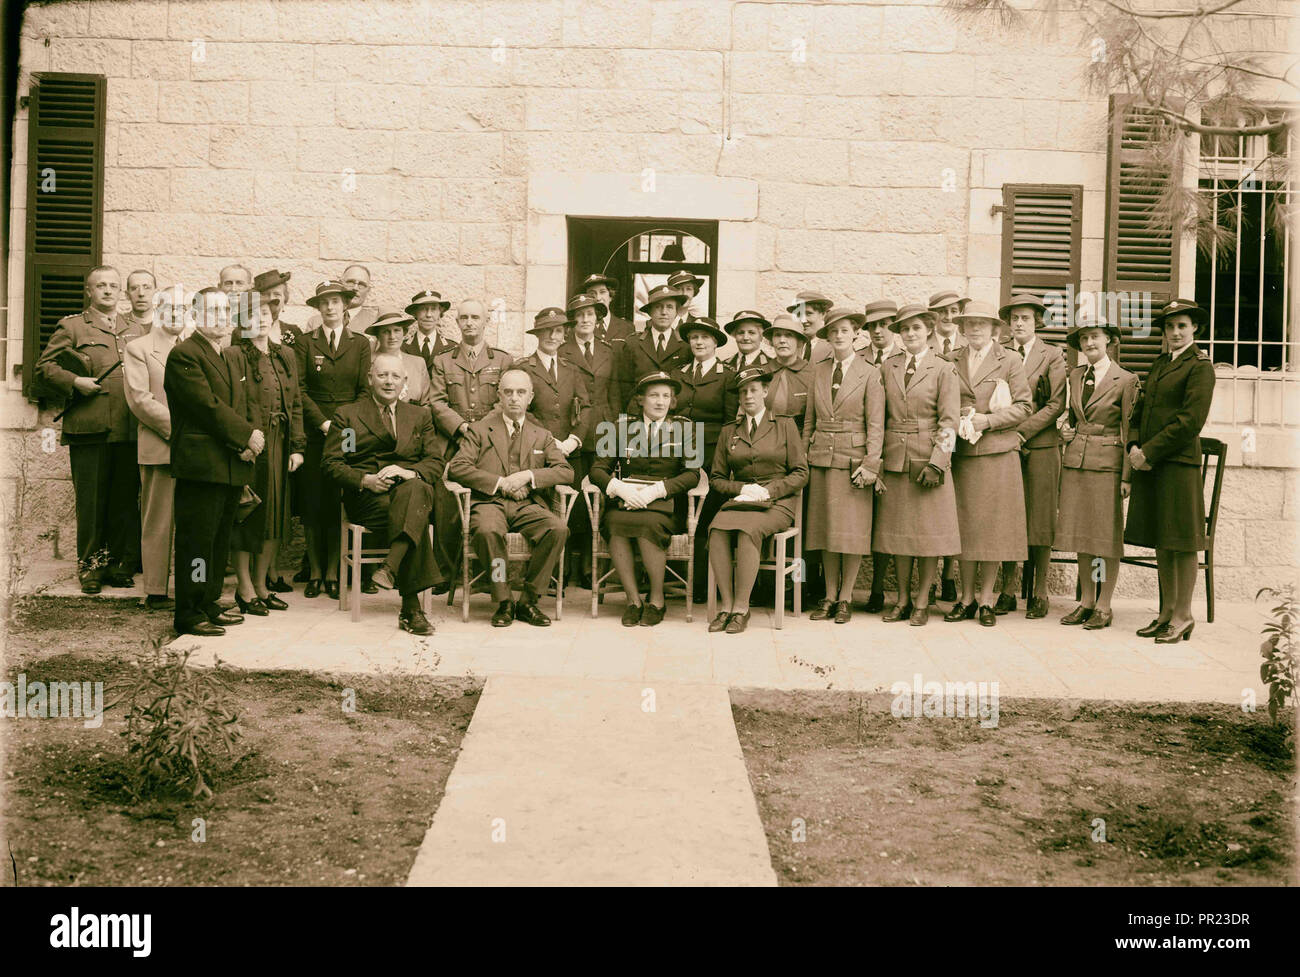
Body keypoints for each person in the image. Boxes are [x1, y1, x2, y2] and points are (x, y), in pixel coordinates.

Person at [35, 266, 145, 594]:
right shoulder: (73, 326)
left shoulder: (135, 328)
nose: (108, 291)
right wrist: (75, 381)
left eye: (113, 285)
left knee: (124, 501)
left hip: (128, 428)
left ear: (120, 292)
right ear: (89, 291)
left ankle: (118, 566)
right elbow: (44, 368)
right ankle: (91, 569)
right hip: (90, 427)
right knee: (92, 501)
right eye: (101, 286)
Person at [323, 353, 447, 636]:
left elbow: (434, 462)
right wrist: (364, 480)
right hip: (369, 499)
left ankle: (390, 568)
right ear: (370, 379)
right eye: (382, 375)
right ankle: (410, 607)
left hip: (407, 492)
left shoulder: (419, 415)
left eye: (395, 376)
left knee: (416, 489)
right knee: (416, 509)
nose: (389, 381)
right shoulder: (349, 416)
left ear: (404, 381)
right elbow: (332, 464)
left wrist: (409, 473)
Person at [164, 287, 261, 637]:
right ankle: (189, 612)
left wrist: (250, 439)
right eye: (212, 310)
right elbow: (206, 407)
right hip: (201, 465)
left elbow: (244, 403)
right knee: (198, 544)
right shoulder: (184, 355)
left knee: (219, 541)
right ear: (195, 314)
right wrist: (245, 436)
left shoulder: (231, 355)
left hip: (232, 462)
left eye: (225, 311)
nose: (220, 317)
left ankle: (208, 601)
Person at [446, 368, 574, 628]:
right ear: (499, 396)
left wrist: (528, 476)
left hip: (527, 505)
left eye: (520, 392)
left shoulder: (542, 435)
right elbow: (458, 467)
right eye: (508, 392)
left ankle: (529, 599)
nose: (514, 398)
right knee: (486, 532)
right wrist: (501, 483)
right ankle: (504, 599)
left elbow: (565, 471)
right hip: (489, 503)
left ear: (530, 397)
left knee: (558, 529)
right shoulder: (480, 430)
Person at [1124, 299, 1216, 644]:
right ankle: (1165, 613)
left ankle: (1183, 615)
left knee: (1181, 539)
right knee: (1162, 539)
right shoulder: (1161, 363)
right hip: (1148, 462)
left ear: (1195, 328)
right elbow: (1140, 410)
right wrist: (1133, 446)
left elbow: (1190, 421)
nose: (1175, 333)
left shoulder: (1200, 367)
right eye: (1169, 327)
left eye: (1182, 326)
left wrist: (1150, 451)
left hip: (1176, 463)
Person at [943, 300, 1033, 627]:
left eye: (982, 323)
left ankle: (986, 600)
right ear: (962, 329)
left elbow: (1024, 407)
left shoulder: (1009, 360)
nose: (975, 329)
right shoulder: (950, 359)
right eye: (969, 324)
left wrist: (988, 420)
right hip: (964, 454)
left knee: (993, 529)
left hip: (997, 453)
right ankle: (965, 599)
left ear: (995, 329)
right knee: (965, 527)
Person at [870, 305, 961, 627]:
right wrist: (876, 462)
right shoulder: (888, 367)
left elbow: (949, 421)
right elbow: (878, 417)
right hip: (895, 459)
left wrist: (938, 463)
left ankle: (923, 599)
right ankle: (903, 600)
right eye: (905, 329)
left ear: (929, 331)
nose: (910, 334)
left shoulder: (943, 368)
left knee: (928, 536)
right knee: (899, 536)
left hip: (927, 461)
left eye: (917, 328)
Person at [589, 372, 701, 627]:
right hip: (626, 502)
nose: (660, 402)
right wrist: (619, 488)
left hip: (665, 506)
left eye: (666, 396)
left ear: (672, 401)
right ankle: (633, 601)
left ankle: (657, 600)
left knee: (647, 525)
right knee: (614, 523)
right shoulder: (620, 427)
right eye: (653, 396)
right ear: (640, 399)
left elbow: (693, 475)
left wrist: (655, 491)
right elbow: (597, 470)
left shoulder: (685, 428)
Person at [707, 367, 809, 633]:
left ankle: (742, 609)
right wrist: (742, 487)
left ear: (765, 391)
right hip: (741, 500)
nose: (748, 396)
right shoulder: (730, 430)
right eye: (743, 392)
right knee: (716, 530)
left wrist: (771, 490)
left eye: (753, 390)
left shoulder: (785, 425)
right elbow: (716, 477)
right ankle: (726, 607)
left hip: (777, 503)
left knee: (746, 532)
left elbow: (801, 473)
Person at [225, 293, 306, 617]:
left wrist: (298, 447)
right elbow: (230, 403)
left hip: (280, 443)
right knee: (247, 516)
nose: (260, 319)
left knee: (276, 517)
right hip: (250, 447)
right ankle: (243, 588)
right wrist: (241, 442)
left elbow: (296, 402)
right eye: (252, 314)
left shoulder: (285, 354)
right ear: (241, 321)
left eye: (264, 313)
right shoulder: (233, 355)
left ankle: (261, 586)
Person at [1056, 315, 1139, 630]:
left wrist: (1127, 476)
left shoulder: (1126, 379)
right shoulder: (1075, 376)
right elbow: (1071, 417)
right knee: (1082, 534)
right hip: (1076, 460)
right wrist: (1065, 429)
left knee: (1104, 537)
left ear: (1109, 340)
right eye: (1084, 339)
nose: (1089, 343)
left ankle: (1104, 605)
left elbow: (1129, 428)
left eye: (1095, 337)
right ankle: (1086, 601)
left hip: (1108, 463)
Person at [803, 307, 884, 624]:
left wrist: (871, 464)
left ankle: (846, 597)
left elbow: (876, 425)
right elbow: (810, 420)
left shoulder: (870, 372)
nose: (839, 336)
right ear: (828, 336)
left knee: (850, 534)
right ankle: (828, 595)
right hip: (821, 458)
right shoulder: (818, 371)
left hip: (854, 460)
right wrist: (804, 458)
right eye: (833, 331)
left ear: (855, 334)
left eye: (845, 330)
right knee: (825, 532)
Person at [294, 280, 372, 600]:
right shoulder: (305, 342)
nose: (330, 307)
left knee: (342, 497)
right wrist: (323, 422)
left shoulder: (361, 343)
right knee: (314, 501)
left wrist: (343, 425)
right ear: (318, 307)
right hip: (315, 430)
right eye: (324, 302)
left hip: (349, 432)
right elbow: (299, 389)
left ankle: (334, 572)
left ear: (345, 306)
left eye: (336, 301)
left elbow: (364, 391)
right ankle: (314, 571)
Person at [995, 293, 1067, 619]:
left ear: (1037, 321)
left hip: (1041, 445)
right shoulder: (1001, 356)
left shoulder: (1052, 355)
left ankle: (1039, 591)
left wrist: (1023, 431)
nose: (1019, 324)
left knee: (1039, 518)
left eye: (1025, 318)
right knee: (1011, 515)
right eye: (1014, 319)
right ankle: (1007, 589)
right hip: (1007, 446)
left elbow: (1056, 403)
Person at [123, 287, 189, 611]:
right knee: (158, 520)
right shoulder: (138, 348)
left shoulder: (194, 347)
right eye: (170, 307)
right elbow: (140, 400)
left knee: (195, 520)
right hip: (162, 444)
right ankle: (156, 589)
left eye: (183, 307)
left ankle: (196, 584)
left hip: (196, 450)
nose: (176, 313)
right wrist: (181, 432)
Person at [674, 315, 738, 600]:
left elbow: (729, 422)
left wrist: (719, 460)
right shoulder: (679, 373)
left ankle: (701, 584)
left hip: (712, 455)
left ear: (715, 342)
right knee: (677, 513)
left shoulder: (727, 376)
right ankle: (676, 577)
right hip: (677, 453)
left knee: (704, 518)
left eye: (705, 337)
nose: (698, 342)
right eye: (693, 338)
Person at [562, 292, 620, 588]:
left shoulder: (609, 351)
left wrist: (617, 427)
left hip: (604, 432)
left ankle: (589, 566)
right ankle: (564, 567)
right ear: (573, 320)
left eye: (590, 314)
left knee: (598, 499)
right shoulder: (562, 349)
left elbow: (615, 394)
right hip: (573, 431)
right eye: (580, 314)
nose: (586, 319)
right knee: (572, 499)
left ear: (598, 318)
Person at [858, 299, 902, 613]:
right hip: (862, 448)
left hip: (896, 448)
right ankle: (863, 588)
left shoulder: (904, 358)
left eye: (884, 324)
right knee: (864, 521)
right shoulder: (858, 359)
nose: (877, 331)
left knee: (891, 522)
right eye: (872, 325)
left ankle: (890, 591)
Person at [427, 298, 515, 446]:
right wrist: (461, 427)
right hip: (453, 440)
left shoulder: (502, 360)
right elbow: (437, 402)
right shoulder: (443, 360)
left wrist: (480, 429)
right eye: (464, 317)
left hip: (493, 439)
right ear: (457, 322)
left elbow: (505, 402)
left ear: (486, 321)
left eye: (475, 317)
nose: (469, 322)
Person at [927, 290, 967, 603]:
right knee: (929, 513)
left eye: (954, 311)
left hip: (962, 439)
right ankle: (925, 582)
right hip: (932, 441)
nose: (949, 318)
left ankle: (949, 575)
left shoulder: (969, 346)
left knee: (953, 512)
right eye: (943, 313)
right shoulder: (920, 346)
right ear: (933, 318)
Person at [618, 283, 691, 409]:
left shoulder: (686, 346)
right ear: (650, 312)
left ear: (676, 312)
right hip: (639, 414)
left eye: (669, 307)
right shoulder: (633, 343)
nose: (664, 312)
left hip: (673, 415)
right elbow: (624, 386)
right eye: (658, 307)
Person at [368, 311, 433, 406]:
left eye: (397, 330)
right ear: (378, 335)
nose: (392, 336)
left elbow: (426, 403)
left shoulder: (418, 363)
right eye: (386, 331)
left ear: (404, 333)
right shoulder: (368, 363)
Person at [763, 313, 814, 434]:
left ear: (799, 342)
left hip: (799, 440)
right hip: (766, 440)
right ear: (771, 341)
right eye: (777, 335)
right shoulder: (761, 373)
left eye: (789, 335)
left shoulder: (812, 373)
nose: (782, 340)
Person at [402, 290, 456, 378]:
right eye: (423, 309)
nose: (428, 315)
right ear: (415, 313)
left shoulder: (451, 348)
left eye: (433, 309)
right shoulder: (402, 348)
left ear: (440, 313)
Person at [578, 273, 635, 346]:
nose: (598, 298)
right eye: (592, 294)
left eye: (602, 292)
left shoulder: (626, 327)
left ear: (610, 296)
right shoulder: (580, 327)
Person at [251, 269, 301, 346]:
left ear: (285, 299)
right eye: (266, 294)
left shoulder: (294, 331)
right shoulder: (245, 331)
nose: (271, 298)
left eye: (277, 294)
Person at [787, 289, 834, 364]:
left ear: (823, 315)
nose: (803, 320)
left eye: (808, 313)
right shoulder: (793, 347)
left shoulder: (835, 347)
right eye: (799, 314)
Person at [928, 290, 969, 359]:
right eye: (942, 311)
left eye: (953, 311)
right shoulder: (923, 344)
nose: (948, 317)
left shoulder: (969, 344)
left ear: (960, 314)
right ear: (933, 316)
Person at [123, 269, 156, 335]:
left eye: (147, 288)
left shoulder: (167, 324)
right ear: (127, 295)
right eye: (134, 288)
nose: (141, 293)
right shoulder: (119, 323)